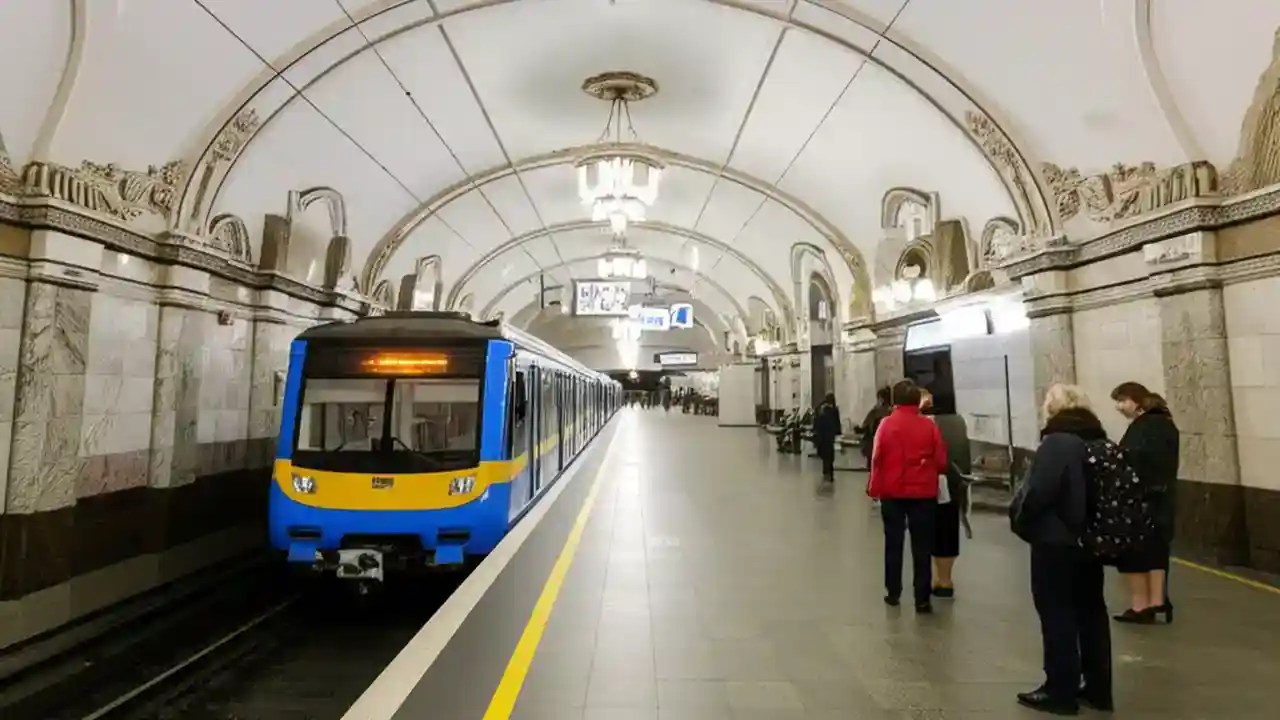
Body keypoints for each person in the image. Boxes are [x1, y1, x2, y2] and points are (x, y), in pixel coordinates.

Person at [1010, 384, 1112, 715]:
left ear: (1052, 409)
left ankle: (1060, 690)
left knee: (1057, 614)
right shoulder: (1097, 439)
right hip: (1088, 541)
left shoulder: (1057, 442)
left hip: (1056, 541)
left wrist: (1021, 521)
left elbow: (1039, 492)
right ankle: (1097, 688)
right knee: (1091, 612)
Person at [867, 380, 948, 613]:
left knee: (893, 543)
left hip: (892, 493)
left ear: (894, 401)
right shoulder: (929, 426)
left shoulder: (886, 425)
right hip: (923, 494)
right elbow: (941, 461)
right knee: (922, 546)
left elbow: (877, 458)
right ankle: (922, 598)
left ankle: (893, 593)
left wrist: (874, 488)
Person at [1110, 382, 1179, 624]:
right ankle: (1158, 601)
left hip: (1141, 501)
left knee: (1135, 555)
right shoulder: (1166, 424)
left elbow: (1133, 462)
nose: (1119, 407)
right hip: (1163, 500)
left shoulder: (1143, 428)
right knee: (1157, 553)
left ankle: (1140, 606)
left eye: (1122, 401)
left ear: (1136, 400)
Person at [920, 389, 971, 599]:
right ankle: (945, 580)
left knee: (927, 532)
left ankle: (931, 579)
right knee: (948, 531)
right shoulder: (959, 421)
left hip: (932, 484)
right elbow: (964, 454)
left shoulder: (927, 422)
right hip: (955, 483)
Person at [856, 387, 892, 471]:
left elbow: (865, 426)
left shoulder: (876, 411)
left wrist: (858, 429)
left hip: (876, 445)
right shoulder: (892, 411)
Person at [812, 392, 842, 483]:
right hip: (829, 435)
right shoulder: (833, 410)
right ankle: (829, 472)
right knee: (829, 454)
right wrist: (838, 432)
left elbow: (817, 421)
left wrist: (815, 431)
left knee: (825, 454)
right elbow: (837, 423)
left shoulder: (822, 409)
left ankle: (827, 472)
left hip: (823, 435)